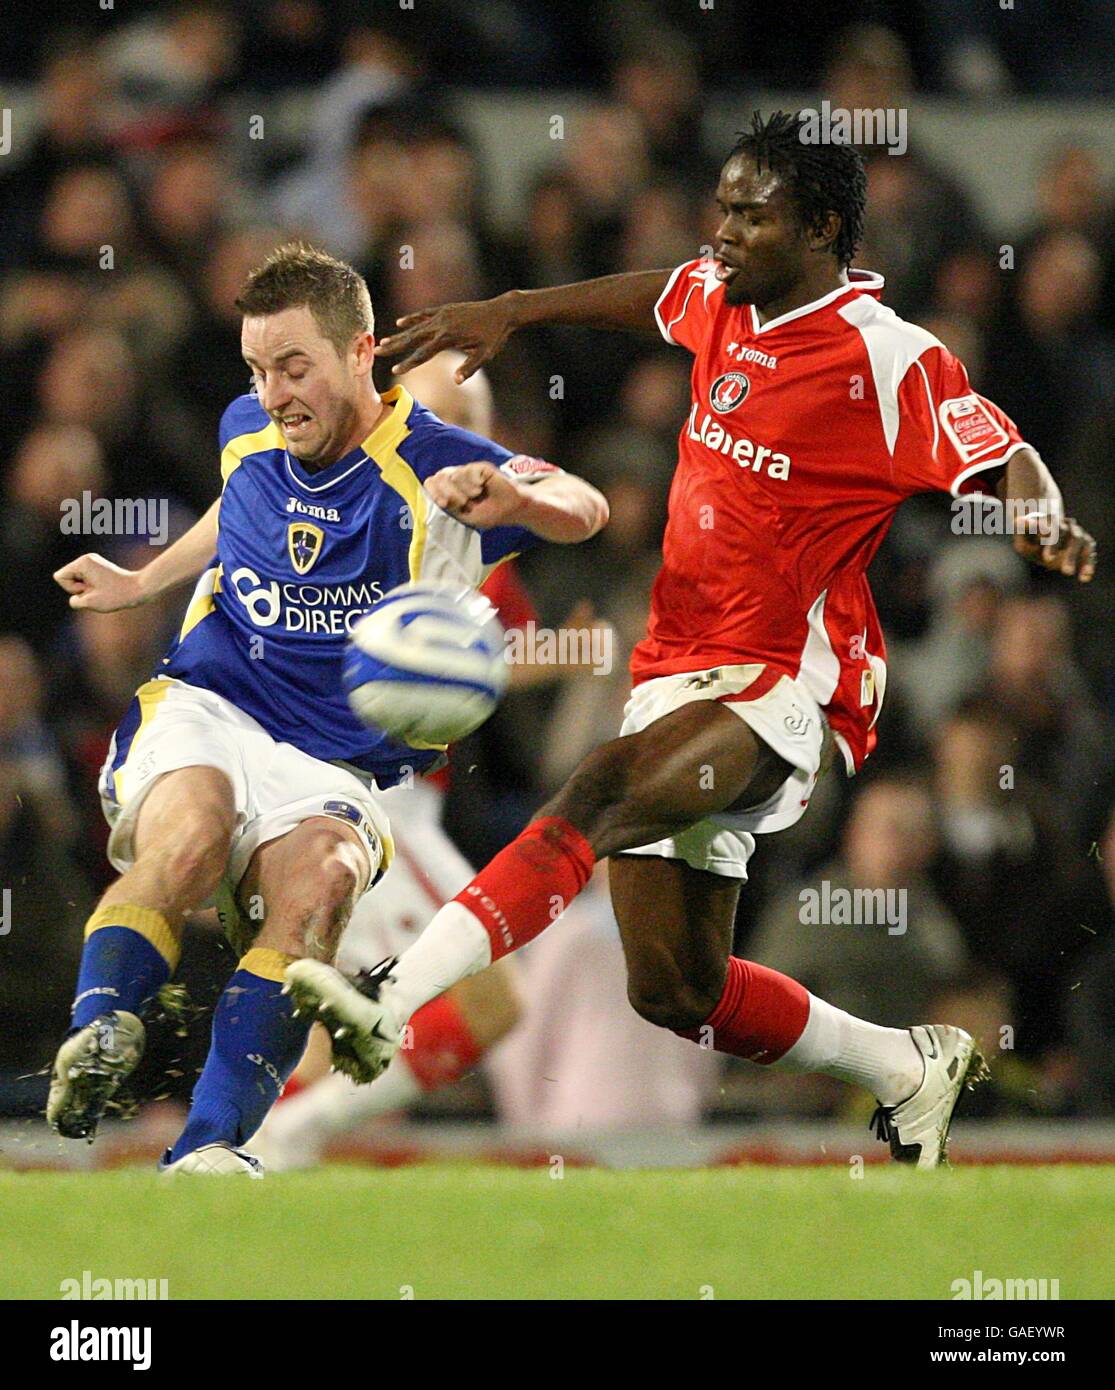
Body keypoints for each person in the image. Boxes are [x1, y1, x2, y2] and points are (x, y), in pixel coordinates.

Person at [285, 112, 1097, 1170]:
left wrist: (1037, 511)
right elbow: (649, 296)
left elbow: (1000, 445)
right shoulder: (724, 297)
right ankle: (905, 1066)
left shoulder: (886, 359)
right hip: (670, 667)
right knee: (674, 988)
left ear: (817, 229)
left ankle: (386, 1002)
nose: (719, 233)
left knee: (600, 792)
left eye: (746, 215)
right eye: (719, 207)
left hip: (785, 685)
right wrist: (511, 310)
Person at [46, 242, 607, 1176]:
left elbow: (583, 508)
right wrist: (144, 581)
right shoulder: (246, 424)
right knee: (188, 838)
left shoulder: (440, 465)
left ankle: (210, 1152)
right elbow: (236, 507)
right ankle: (101, 1032)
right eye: (257, 370)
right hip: (211, 705)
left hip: (336, 764)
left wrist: (513, 493)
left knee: (318, 895)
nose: (271, 393)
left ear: (360, 353)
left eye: (293, 367)